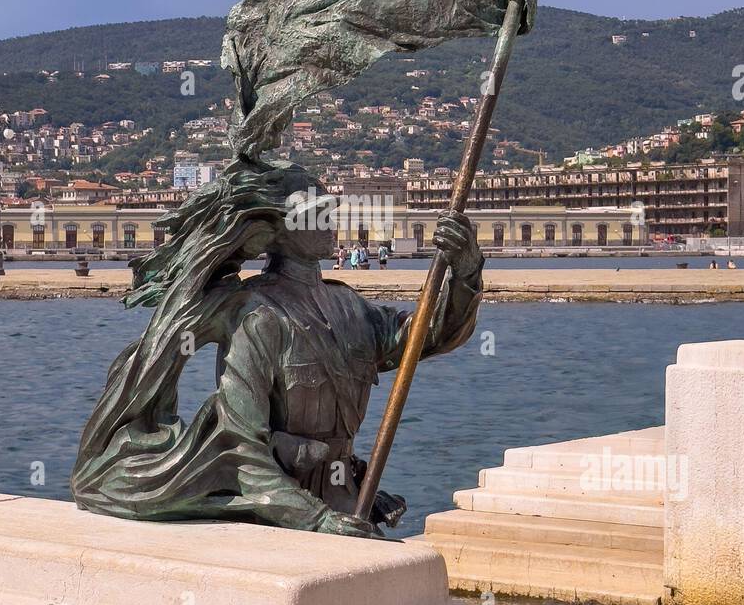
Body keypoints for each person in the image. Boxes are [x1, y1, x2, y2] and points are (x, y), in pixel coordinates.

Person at [72, 158, 483, 538]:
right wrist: (316, 519)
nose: (330, 219)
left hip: (346, 495)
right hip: (287, 506)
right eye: (314, 212)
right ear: (278, 228)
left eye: (329, 209)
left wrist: (464, 273)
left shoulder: (349, 306)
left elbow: (426, 337)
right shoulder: (258, 316)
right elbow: (240, 444)